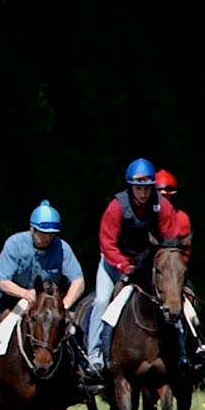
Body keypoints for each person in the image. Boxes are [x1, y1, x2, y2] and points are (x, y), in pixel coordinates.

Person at [0, 201, 86, 409]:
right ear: (32, 229)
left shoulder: (62, 247)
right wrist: (25, 293)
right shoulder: (15, 244)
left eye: (51, 234)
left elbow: (78, 280)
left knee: (74, 332)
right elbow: (3, 281)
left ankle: (81, 381)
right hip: (12, 297)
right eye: (42, 233)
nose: (47, 237)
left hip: (47, 305)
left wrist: (65, 304)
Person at [85, 158, 185, 380]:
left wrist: (167, 264)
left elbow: (169, 239)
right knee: (102, 301)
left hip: (147, 264)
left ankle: (186, 352)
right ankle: (95, 355)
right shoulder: (116, 207)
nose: (142, 193)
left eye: (147, 188)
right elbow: (107, 244)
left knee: (175, 297)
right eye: (138, 188)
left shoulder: (163, 206)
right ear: (131, 186)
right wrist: (123, 266)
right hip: (114, 263)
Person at [153, 169, 205, 371]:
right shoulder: (145, 219)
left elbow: (186, 252)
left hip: (174, 273)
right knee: (113, 304)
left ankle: (200, 345)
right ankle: (100, 352)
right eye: (160, 197)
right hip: (150, 273)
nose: (164, 201)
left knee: (190, 305)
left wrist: (176, 271)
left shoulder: (182, 219)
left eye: (167, 197)